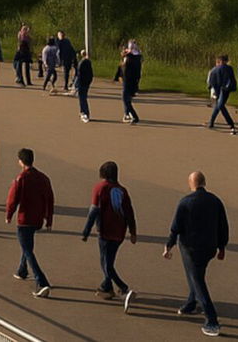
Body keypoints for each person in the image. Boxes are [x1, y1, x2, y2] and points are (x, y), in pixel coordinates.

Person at [163, 170, 229, 337]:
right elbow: (223, 226)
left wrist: (168, 245)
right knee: (196, 274)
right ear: (204, 183)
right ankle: (191, 303)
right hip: (209, 248)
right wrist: (222, 247)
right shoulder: (215, 201)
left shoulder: (185, 202)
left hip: (190, 248)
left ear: (190, 183)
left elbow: (175, 227)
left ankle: (212, 319)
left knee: (197, 279)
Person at [82, 160, 137, 309]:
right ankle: (106, 288)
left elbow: (93, 211)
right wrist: (133, 232)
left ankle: (123, 287)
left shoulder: (100, 188)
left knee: (106, 264)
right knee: (109, 261)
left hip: (105, 232)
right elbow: (129, 213)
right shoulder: (123, 191)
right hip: (119, 232)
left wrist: (86, 231)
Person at [4, 148, 54, 298]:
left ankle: (42, 281)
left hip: (24, 219)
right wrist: (49, 219)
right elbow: (50, 199)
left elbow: (13, 199)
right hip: (37, 219)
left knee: (27, 250)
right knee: (27, 244)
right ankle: (22, 270)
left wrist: (9, 215)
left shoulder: (21, 178)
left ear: (21, 161)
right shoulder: (43, 178)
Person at [206, 55, 237, 133]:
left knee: (219, 106)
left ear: (220, 61)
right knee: (220, 106)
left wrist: (210, 87)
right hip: (226, 90)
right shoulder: (229, 69)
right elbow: (232, 79)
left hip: (219, 90)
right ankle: (230, 124)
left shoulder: (215, 69)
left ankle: (213, 122)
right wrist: (232, 87)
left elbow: (211, 80)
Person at [116, 41, 143, 123]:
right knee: (127, 99)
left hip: (128, 81)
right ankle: (127, 114)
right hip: (132, 81)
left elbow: (125, 69)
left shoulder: (130, 59)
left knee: (125, 99)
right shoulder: (136, 58)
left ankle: (133, 116)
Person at [76, 50, 94, 122]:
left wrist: (77, 84)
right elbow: (91, 74)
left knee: (82, 98)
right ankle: (82, 111)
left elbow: (79, 74)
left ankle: (84, 112)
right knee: (83, 97)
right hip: (86, 82)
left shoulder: (81, 63)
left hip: (82, 83)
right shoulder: (88, 62)